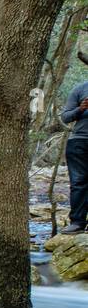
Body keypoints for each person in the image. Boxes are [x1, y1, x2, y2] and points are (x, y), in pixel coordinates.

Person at [60, 79, 88, 234]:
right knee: (78, 183)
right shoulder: (80, 89)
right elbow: (65, 117)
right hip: (79, 142)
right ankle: (77, 222)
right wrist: (80, 109)